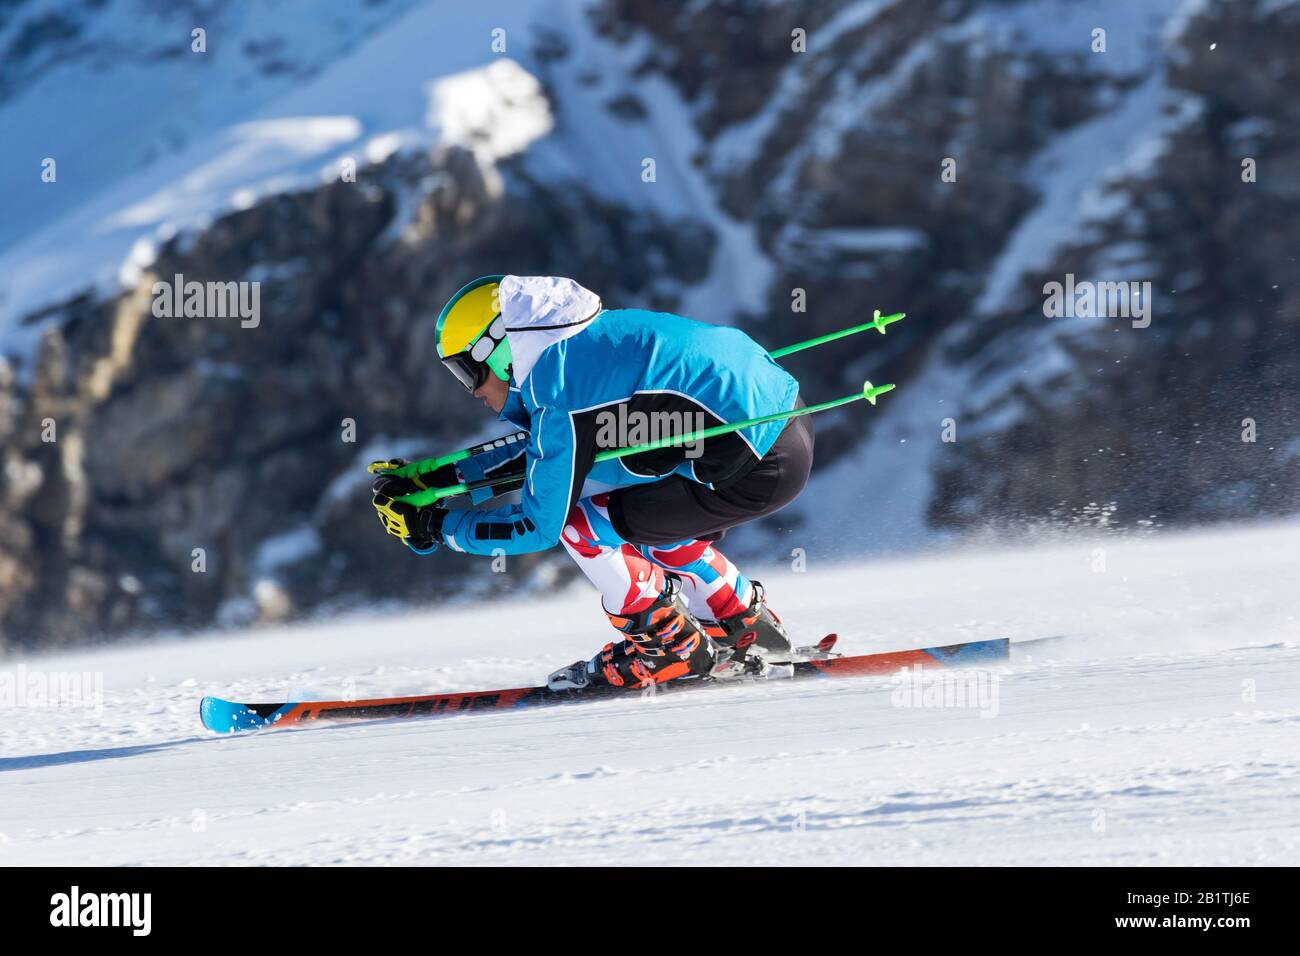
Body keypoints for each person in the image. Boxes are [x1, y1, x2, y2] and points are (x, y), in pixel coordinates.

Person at [370, 275, 814, 690]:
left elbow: (537, 524)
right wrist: (436, 478)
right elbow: (550, 449)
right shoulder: (577, 350)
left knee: (581, 526)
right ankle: (741, 624)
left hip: (754, 463)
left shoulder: (557, 389)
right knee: (639, 519)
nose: (472, 391)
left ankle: (668, 649)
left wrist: (436, 526)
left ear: (497, 349)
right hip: (781, 432)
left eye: (467, 372)